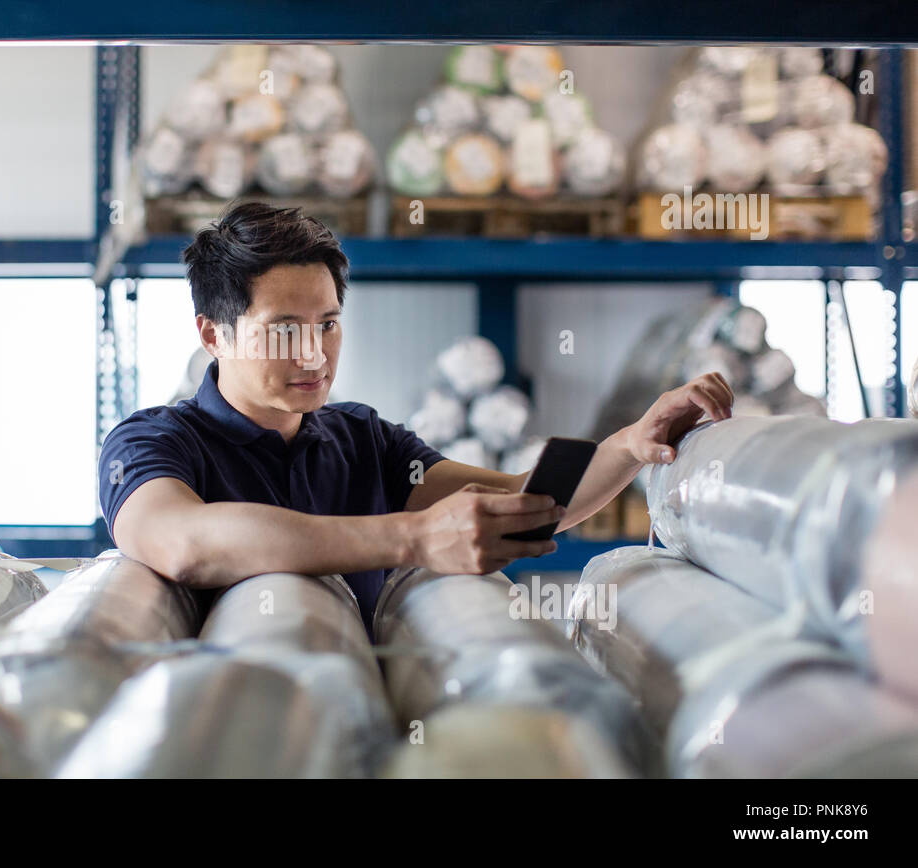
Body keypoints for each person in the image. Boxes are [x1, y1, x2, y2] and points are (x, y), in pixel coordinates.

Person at [97, 202, 734, 635]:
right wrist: (413, 537)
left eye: (328, 324)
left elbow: (523, 504)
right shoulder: (154, 442)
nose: (314, 354)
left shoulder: (362, 440)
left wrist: (629, 444)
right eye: (283, 330)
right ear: (213, 334)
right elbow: (181, 541)